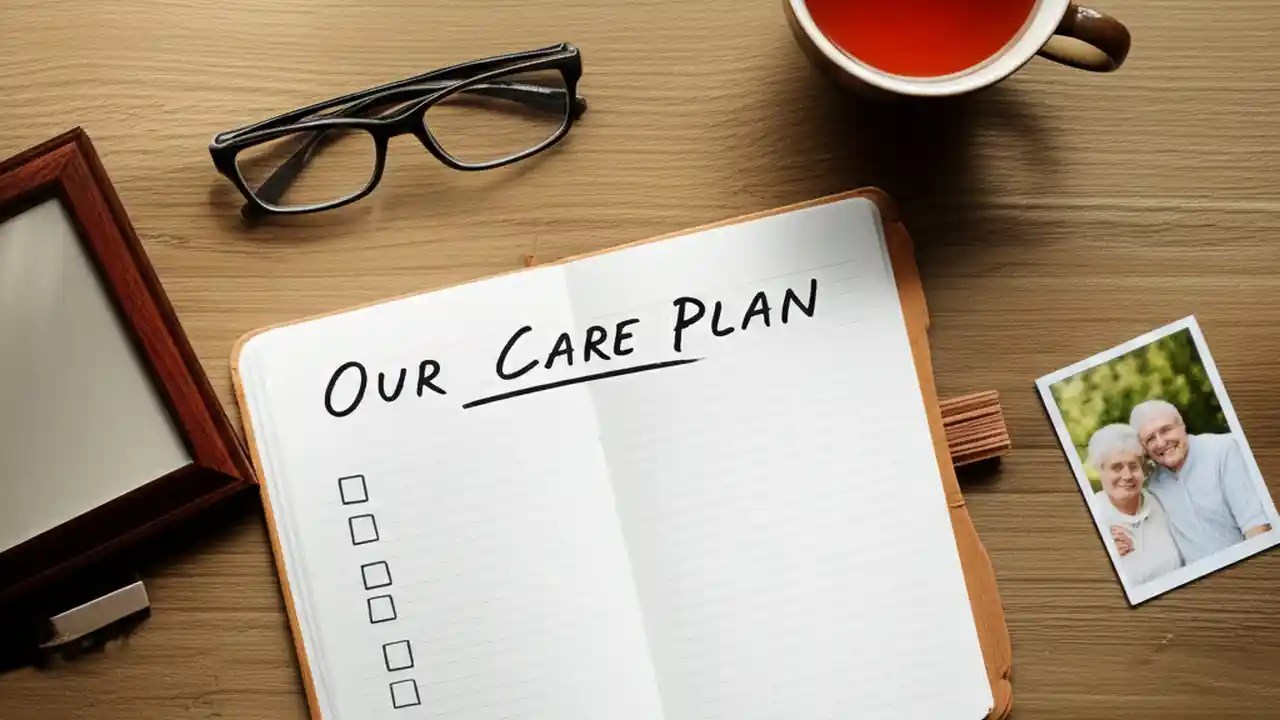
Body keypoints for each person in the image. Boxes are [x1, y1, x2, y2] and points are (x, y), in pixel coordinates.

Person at [1118, 399, 1273, 565]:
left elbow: (1257, 525)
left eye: (1166, 430)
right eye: (1150, 439)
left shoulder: (1224, 450)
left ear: (1182, 425)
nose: (1161, 443)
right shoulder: (1152, 485)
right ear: (1144, 449)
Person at [1087, 424, 1182, 584]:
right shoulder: (1092, 513)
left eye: (1133, 466)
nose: (1127, 475)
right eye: (1116, 468)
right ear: (1100, 471)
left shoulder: (1160, 502)